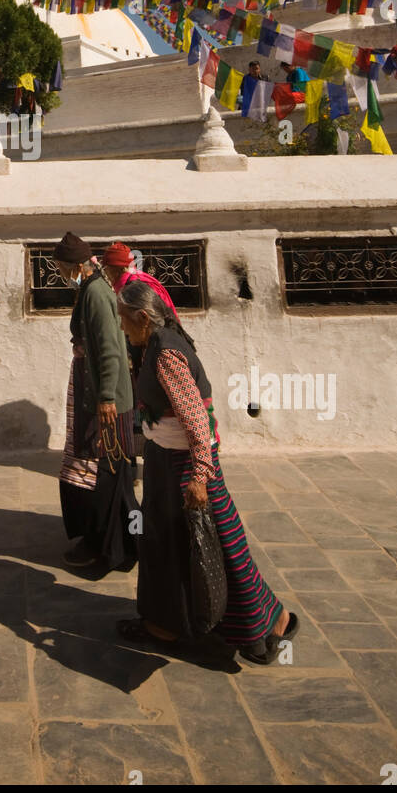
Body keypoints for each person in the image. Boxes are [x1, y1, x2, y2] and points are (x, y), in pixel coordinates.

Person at [113, 280, 299, 665]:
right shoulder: (152, 344)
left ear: (143, 317)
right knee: (165, 546)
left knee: (220, 548)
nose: (121, 327)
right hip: (166, 462)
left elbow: (197, 421)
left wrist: (199, 474)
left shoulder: (166, 353)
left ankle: (271, 620)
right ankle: (165, 624)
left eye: (124, 320)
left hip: (188, 467)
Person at [53, 231, 138, 574]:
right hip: (96, 392)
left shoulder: (97, 293)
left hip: (106, 398)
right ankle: (120, 542)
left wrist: (105, 399)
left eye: (61, 267)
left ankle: (113, 547)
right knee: (104, 472)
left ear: (75, 265)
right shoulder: (89, 289)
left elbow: (109, 350)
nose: (61, 272)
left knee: (106, 474)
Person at [99, 243, 177, 490]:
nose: (107, 273)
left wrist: (136, 358)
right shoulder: (138, 282)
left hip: (146, 358)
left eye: (108, 268)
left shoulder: (133, 289)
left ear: (114, 268)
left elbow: (145, 326)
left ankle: (137, 469)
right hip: (145, 357)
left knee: (139, 414)